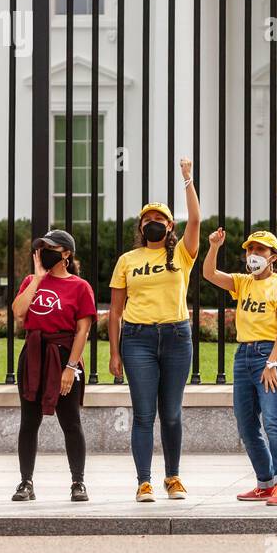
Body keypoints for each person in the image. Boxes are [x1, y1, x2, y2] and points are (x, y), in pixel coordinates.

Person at [108, 157, 201, 502]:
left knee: (172, 414)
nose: (153, 224)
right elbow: (115, 311)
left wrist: (187, 179)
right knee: (144, 414)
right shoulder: (127, 260)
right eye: (148, 220)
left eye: (159, 220)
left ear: (170, 225)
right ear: (140, 226)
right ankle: (144, 482)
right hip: (138, 340)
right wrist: (114, 352)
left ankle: (173, 478)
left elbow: (196, 219)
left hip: (177, 337)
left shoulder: (183, 254)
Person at [204, 227, 277, 507]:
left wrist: (272, 362)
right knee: (246, 423)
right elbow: (210, 274)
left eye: (260, 250)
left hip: (268, 355)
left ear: (273, 257)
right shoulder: (243, 282)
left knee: (272, 420)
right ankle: (265, 483)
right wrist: (214, 246)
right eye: (250, 250)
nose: (254, 254)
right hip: (243, 355)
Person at [10, 229, 96, 502]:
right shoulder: (31, 281)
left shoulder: (80, 287)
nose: (44, 253)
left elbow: (82, 331)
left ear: (66, 253)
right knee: (29, 422)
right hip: (34, 355)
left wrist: (70, 367)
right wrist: (37, 279)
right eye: (42, 248)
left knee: (71, 422)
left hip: (63, 355)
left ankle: (78, 482)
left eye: (51, 248)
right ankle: (26, 482)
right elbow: (18, 312)